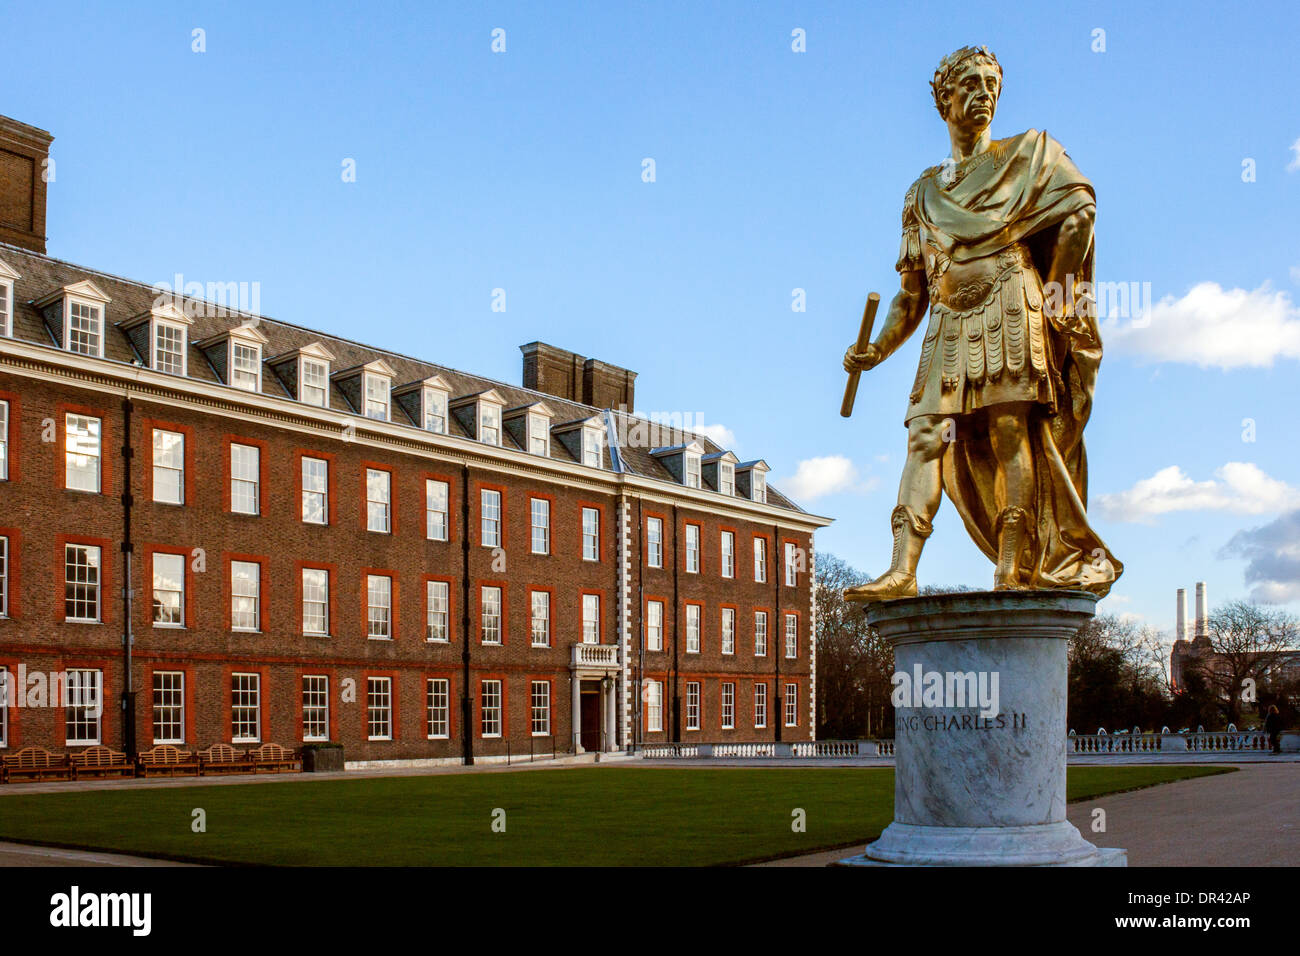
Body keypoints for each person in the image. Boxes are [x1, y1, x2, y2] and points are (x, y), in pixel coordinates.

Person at [842, 46, 1122, 601]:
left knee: (1010, 432)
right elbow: (910, 294)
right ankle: (901, 570)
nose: (984, 92)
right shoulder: (921, 193)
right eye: (969, 83)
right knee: (926, 435)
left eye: (992, 82)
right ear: (944, 100)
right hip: (946, 320)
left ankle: (1012, 568)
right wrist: (876, 350)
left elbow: (1081, 211)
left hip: (1009, 305)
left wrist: (1058, 298)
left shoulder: (1030, 154)